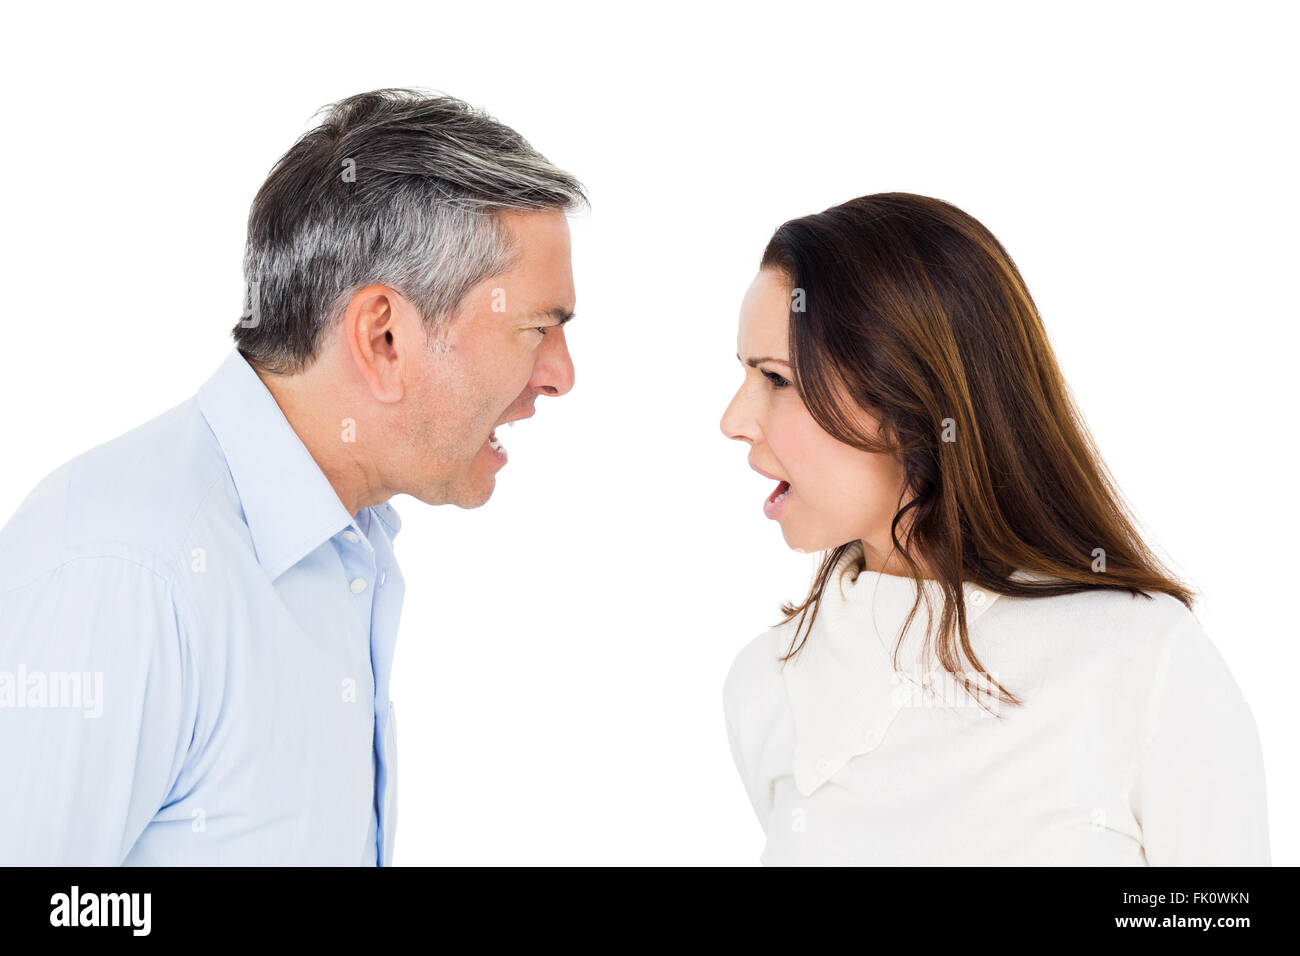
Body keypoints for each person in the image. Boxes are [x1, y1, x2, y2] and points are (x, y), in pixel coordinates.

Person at [0, 88, 585, 865]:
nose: (561, 375)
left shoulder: (346, 548)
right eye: (537, 328)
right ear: (383, 337)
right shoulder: (129, 569)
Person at [719, 193, 1270, 865]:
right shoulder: (766, 684)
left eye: (775, 377)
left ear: (914, 399)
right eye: (744, 374)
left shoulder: (1144, 660)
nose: (734, 418)